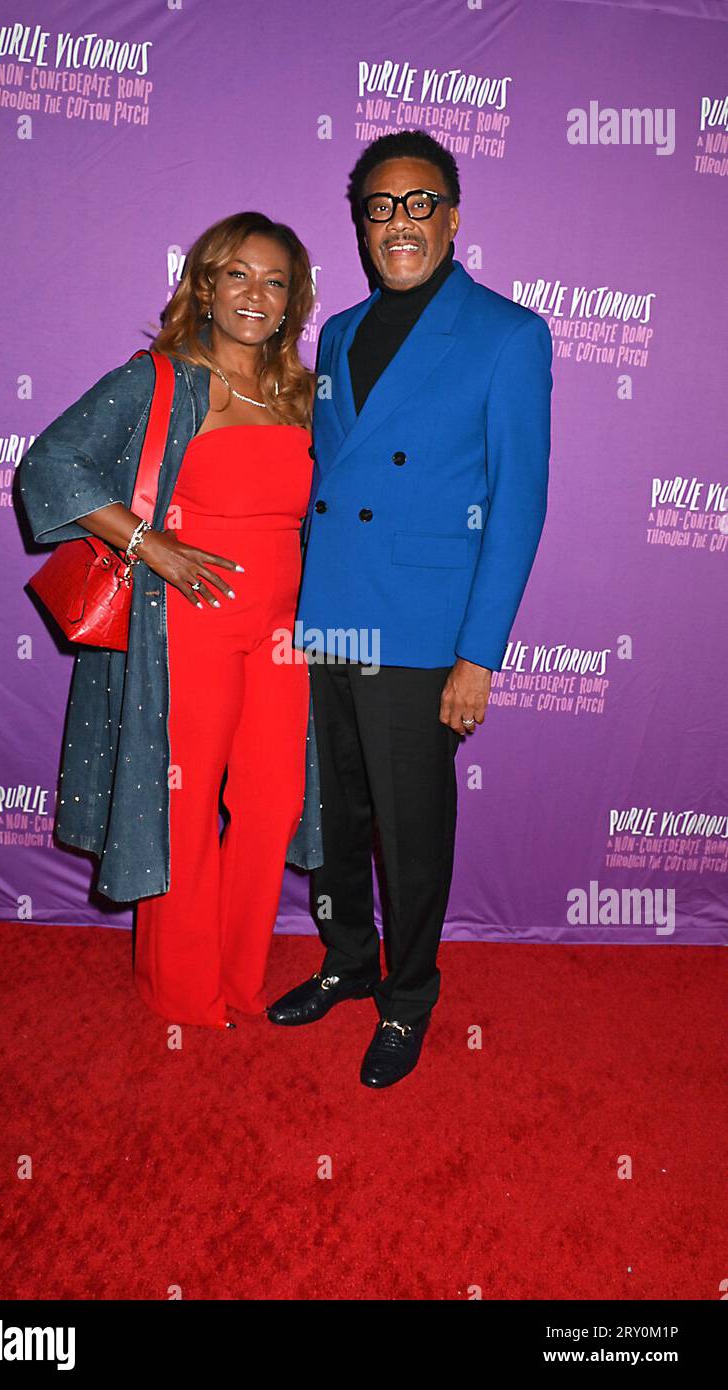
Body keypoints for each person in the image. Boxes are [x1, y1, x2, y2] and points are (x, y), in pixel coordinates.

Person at [268, 131, 554, 1088]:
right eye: (380, 207)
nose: (399, 223)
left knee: (412, 829)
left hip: (425, 630)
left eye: (419, 203)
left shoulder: (509, 335)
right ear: (361, 224)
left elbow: (516, 506)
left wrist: (478, 656)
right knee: (340, 817)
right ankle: (348, 960)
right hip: (333, 615)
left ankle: (409, 996)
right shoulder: (341, 330)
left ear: (454, 216)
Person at [19, 213, 323, 1030]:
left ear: (294, 301)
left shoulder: (301, 394)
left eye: (275, 281)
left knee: (272, 801)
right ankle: (180, 985)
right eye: (238, 275)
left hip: (283, 630)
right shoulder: (161, 378)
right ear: (206, 285)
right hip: (189, 622)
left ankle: (238, 973)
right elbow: (52, 461)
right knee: (182, 802)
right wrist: (152, 545)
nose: (256, 295)